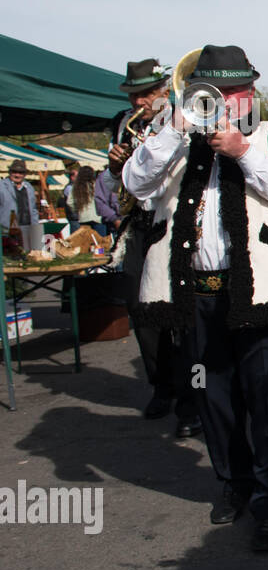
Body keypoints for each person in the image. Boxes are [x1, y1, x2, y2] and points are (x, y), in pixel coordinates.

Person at [122, 44, 268, 551]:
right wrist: (175, 129)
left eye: (235, 92)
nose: (225, 103)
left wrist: (243, 152)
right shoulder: (174, 141)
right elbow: (134, 183)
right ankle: (234, 485)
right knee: (215, 401)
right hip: (198, 297)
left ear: (251, 92)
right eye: (214, 93)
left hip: (260, 296)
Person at [104, 58, 202, 437]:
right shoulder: (121, 123)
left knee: (183, 314)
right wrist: (117, 169)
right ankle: (162, 387)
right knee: (141, 309)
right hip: (138, 224)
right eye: (133, 95)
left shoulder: (181, 117)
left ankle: (193, 402)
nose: (138, 102)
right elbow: (118, 184)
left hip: (174, 222)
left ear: (164, 91)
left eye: (145, 93)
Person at [1, 160, 43, 253]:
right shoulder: (2, 186)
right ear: (9, 172)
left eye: (20, 173)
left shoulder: (29, 187)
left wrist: (35, 227)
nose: (17, 175)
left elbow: (33, 209)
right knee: (10, 258)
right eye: (14, 172)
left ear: (25, 174)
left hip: (27, 227)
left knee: (28, 256)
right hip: (7, 230)